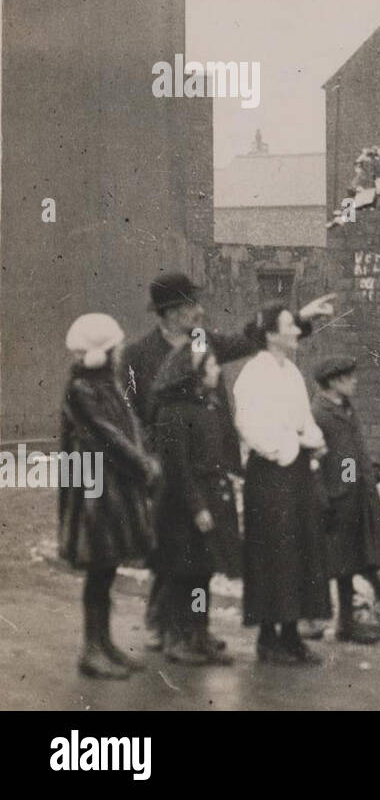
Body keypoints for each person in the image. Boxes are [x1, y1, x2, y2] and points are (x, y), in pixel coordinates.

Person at [120, 272, 334, 650]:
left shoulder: (204, 341)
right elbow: (133, 414)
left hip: (210, 465)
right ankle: (167, 625)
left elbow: (251, 338)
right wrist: (153, 458)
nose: (199, 312)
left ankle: (196, 629)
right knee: (174, 551)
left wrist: (298, 319)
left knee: (200, 555)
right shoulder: (138, 356)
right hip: (169, 466)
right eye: (191, 306)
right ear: (170, 312)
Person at [59, 314, 161, 679]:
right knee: (98, 572)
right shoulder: (82, 391)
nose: (120, 352)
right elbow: (108, 438)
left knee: (106, 571)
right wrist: (144, 466)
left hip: (110, 491)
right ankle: (91, 649)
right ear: (101, 351)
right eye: (115, 347)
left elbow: (125, 433)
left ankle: (104, 644)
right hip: (94, 495)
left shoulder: (105, 385)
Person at [234, 305, 332, 664]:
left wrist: (314, 439)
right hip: (270, 473)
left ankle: (291, 634)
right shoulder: (252, 374)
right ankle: (267, 637)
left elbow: (303, 418)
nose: (297, 331)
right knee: (272, 552)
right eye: (290, 326)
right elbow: (249, 425)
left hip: (297, 473)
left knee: (301, 550)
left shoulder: (291, 372)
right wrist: (285, 448)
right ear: (272, 335)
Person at [149, 347, 242, 666]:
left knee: (202, 572)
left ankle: (199, 632)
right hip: (181, 507)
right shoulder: (173, 412)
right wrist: (198, 507)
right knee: (181, 575)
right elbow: (177, 468)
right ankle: (176, 637)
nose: (218, 370)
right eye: (212, 364)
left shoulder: (208, 406)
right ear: (195, 371)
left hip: (209, 499)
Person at [311, 357, 380, 644]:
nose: (355, 381)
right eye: (349, 377)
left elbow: (352, 449)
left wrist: (368, 468)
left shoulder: (346, 409)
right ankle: (310, 620)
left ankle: (346, 624)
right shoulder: (319, 414)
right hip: (335, 498)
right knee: (330, 561)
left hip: (355, 496)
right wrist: (324, 497)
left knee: (350, 561)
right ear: (334, 382)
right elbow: (316, 461)